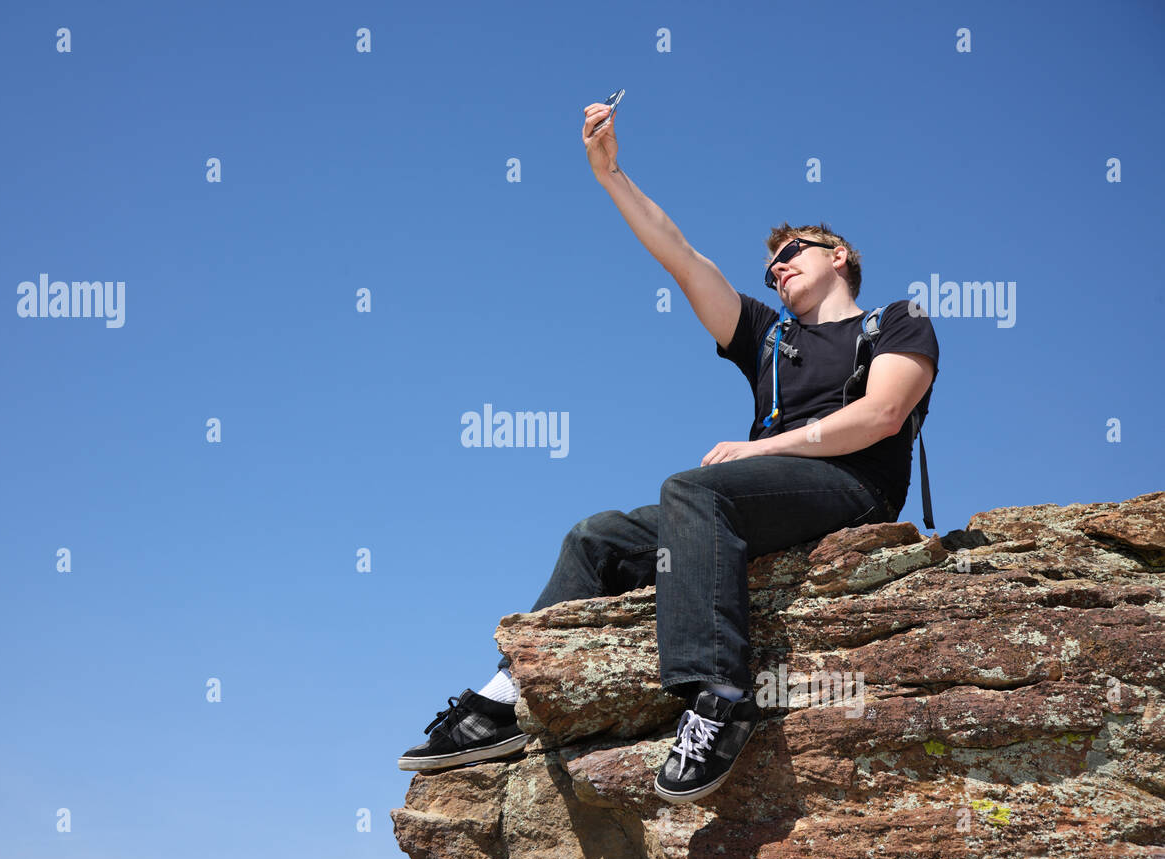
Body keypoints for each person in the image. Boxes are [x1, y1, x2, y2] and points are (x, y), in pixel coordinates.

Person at [398, 99, 939, 804]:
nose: (776, 271)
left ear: (839, 257)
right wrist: (611, 173)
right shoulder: (769, 338)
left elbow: (885, 413)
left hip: (851, 487)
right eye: (770, 266)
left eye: (790, 255)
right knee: (597, 537)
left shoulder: (896, 320)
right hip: (766, 495)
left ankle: (719, 697)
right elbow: (682, 257)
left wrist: (762, 450)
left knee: (696, 488)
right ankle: (503, 702)